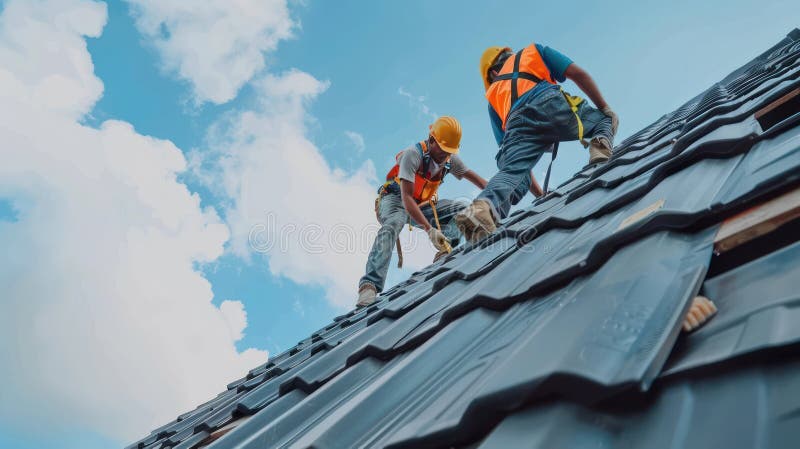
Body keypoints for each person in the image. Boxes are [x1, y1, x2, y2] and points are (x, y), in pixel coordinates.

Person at [456, 43, 619, 242]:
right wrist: (606, 109)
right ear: (509, 56)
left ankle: (482, 208)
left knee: (512, 174)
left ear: (494, 73)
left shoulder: (494, 99)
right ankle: (600, 150)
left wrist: (539, 195)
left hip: (517, 124)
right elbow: (578, 74)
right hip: (551, 103)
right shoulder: (534, 52)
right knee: (605, 119)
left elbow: (513, 165)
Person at [356, 116, 488, 307]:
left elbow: (477, 180)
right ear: (432, 139)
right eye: (443, 150)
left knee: (465, 210)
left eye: (450, 151)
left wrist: (496, 193)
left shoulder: (450, 160)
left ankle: (444, 251)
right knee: (394, 223)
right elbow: (407, 198)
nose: (446, 155)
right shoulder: (413, 155)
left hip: (422, 205)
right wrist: (429, 230)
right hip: (396, 199)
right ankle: (369, 285)